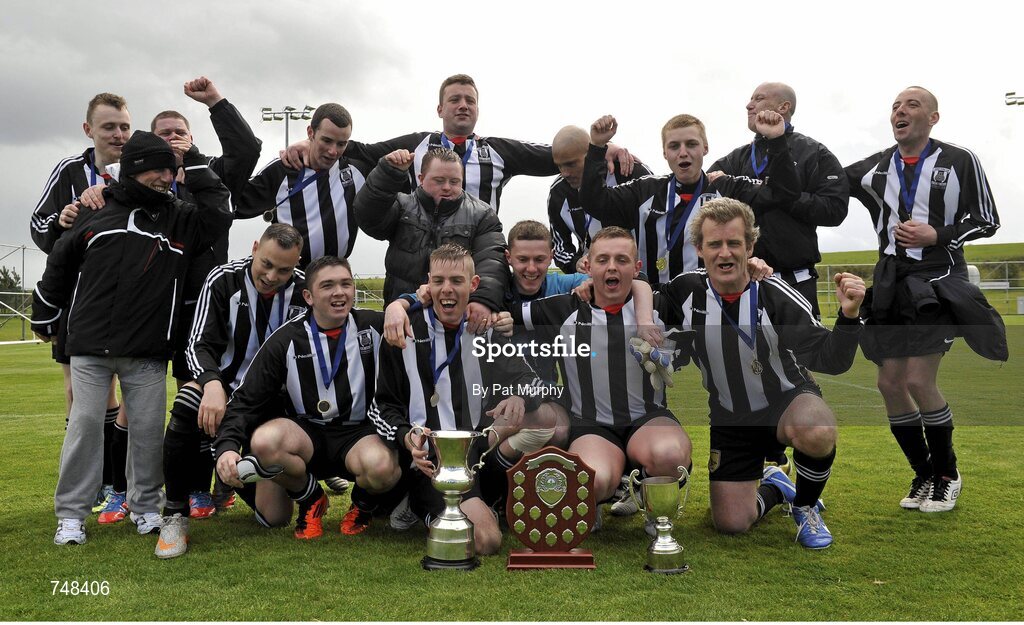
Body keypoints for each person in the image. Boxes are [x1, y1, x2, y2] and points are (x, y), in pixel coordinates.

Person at [74, 77, 265, 519]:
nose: (173, 139)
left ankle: (196, 487)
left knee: (194, 396)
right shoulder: (140, 182)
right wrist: (94, 193)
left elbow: (247, 150)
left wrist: (215, 103)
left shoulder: (209, 172)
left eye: (180, 132)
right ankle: (121, 489)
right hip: (151, 309)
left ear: (192, 138)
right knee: (133, 404)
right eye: (164, 134)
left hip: (202, 307)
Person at [32, 130, 232, 545]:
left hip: (147, 348)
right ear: (136, 168)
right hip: (90, 343)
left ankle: (145, 508)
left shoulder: (181, 216)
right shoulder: (96, 208)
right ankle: (71, 515)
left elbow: (219, 212)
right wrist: (45, 312)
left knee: (146, 431)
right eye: (159, 169)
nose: (167, 177)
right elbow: (60, 262)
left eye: (171, 170)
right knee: (85, 426)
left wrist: (192, 159)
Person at [658, 198, 865, 549]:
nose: (725, 253)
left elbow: (832, 360)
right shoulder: (684, 291)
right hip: (731, 417)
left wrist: (849, 316)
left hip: (785, 402)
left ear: (750, 247)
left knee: (817, 429)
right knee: (731, 523)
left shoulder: (774, 294)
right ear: (699, 250)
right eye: (715, 244)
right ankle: (777, 488)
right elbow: (639, 301)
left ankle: (805, 506)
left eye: (734, 243)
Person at [845, 86, 1005, 513]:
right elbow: (824, 179)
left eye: (911, 105)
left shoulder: (959, 159)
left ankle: (948, 475)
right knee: (889, 383)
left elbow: (988, 220)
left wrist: (939, 234)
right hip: (891, 283)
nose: (900, 111)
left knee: (918, 380)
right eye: (895, 106)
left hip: (936, 281)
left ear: (933, 117)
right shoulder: (875, 167)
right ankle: (924, 473)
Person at [370, 244, 566, 555]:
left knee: (548, 417)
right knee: (486, 541)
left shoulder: (484, 330)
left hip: (477, 451)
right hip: (429, 460)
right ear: (428, 284)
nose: (447, 289)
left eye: (457, 281)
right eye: (439, 281)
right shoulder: (403, 328)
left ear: (473, 285)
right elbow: (383, 406)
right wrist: (407, 437)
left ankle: (493, 495)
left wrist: (519, 396)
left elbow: (533, 382)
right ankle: (420, 501)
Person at [509, 227, 692, 531]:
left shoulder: (658, 305)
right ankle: (599, 496)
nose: (611, 267)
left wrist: (754, 267)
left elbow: (709, 285)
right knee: (592, 480)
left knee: (669, 455)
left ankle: (653, 503)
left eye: (622, 260)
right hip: (592, 426)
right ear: (588, 266)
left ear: (636, 268)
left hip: (647, 420)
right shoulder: (563, 309)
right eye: (603, 260)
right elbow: (504, 311)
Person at [214, 256, 403, 543]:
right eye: (327, 286)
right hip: (306, 434)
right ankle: (311, 497)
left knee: (383, 468)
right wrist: (227, 447)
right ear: (308, 296)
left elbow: (430, 315)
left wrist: (404, 303)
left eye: (346, 284)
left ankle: (362, 506)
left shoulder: (374, 325)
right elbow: (245, 399)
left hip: (359, 435)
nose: (339, 292)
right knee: (265, 449)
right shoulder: (285, 339)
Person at [154, 224, 307, 558]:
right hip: (224, 390)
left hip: (272, 403)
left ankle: (236, 474)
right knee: (188, 400)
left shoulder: (303, 289)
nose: (272, 276)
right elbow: (198, 344)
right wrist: (211, 383)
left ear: (296, 264)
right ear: (254, 248)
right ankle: (175, 516)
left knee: (275, 518)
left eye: (283, 270)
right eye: (266, 263)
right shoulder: (223, 279)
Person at [281, 73, 634, 213]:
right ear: (440, 109)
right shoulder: (416, 144)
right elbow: (358, 150)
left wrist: (602, 148)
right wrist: (307, 144)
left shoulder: (498, 150)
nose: (463, 105)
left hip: (480, 258)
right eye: (454, 99)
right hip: (422, 259)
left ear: (478, 109)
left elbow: (555, 156)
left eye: (470, 100)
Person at [29, 92, 131, 514]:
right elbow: (38, 226)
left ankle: (115, 482)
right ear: (89, 130)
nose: (119, 134)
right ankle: (91, 482)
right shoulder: (70, 170)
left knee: (124, 393)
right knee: (79, 393)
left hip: (126, 300)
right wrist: (61, 221)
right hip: (77, 302)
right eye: (109, 127)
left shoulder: (138, 171)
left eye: (124, 126)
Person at [580, 112, 798, 290]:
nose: (683, 152)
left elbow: (784, 194)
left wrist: (777, 141)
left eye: (691, 144)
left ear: (705, 148)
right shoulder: (645, 189)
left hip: (710, 304)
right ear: (665, 153)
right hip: (653, 303)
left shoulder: (729, 188)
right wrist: (597, 148)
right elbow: (595, 202)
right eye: (674, 146)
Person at [708, 82, 849, 320]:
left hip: (797, 282)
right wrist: (775, 193)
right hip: (742, 281)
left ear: (783, 107)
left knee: (802, 346)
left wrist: (773, 194)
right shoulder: (736, 158)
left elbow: (835, 210)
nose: (749, 105)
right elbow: (707, 197)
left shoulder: (815, 153)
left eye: (759, 98)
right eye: (750, 99)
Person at [352, 147, 508, 334]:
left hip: (457, 322)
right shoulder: (401, 206)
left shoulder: (482, 214)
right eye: (439, 180)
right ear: (421, 178)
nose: (447, 187)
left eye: (454, 181)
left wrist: (483, 300)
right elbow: (368, 218)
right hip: (404, 316)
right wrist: (388, 174)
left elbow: (492, 260)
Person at [234, 103, 371, 269]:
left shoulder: (356, 167)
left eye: (341, 144)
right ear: (310, 132)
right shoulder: (282, 170)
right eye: (326, 140)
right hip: (291, 275)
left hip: (335, 274)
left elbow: (401, 146)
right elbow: (229, 203)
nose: (333, 151)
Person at [547, 125, 652, 273]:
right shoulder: (558, 192)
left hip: (641, 274)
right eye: (559, 166)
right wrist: (575, 263)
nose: (565, 173)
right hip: (593, 278)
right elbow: (560, 248)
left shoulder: (630, 171)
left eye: (571, 164)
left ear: (591, 154)